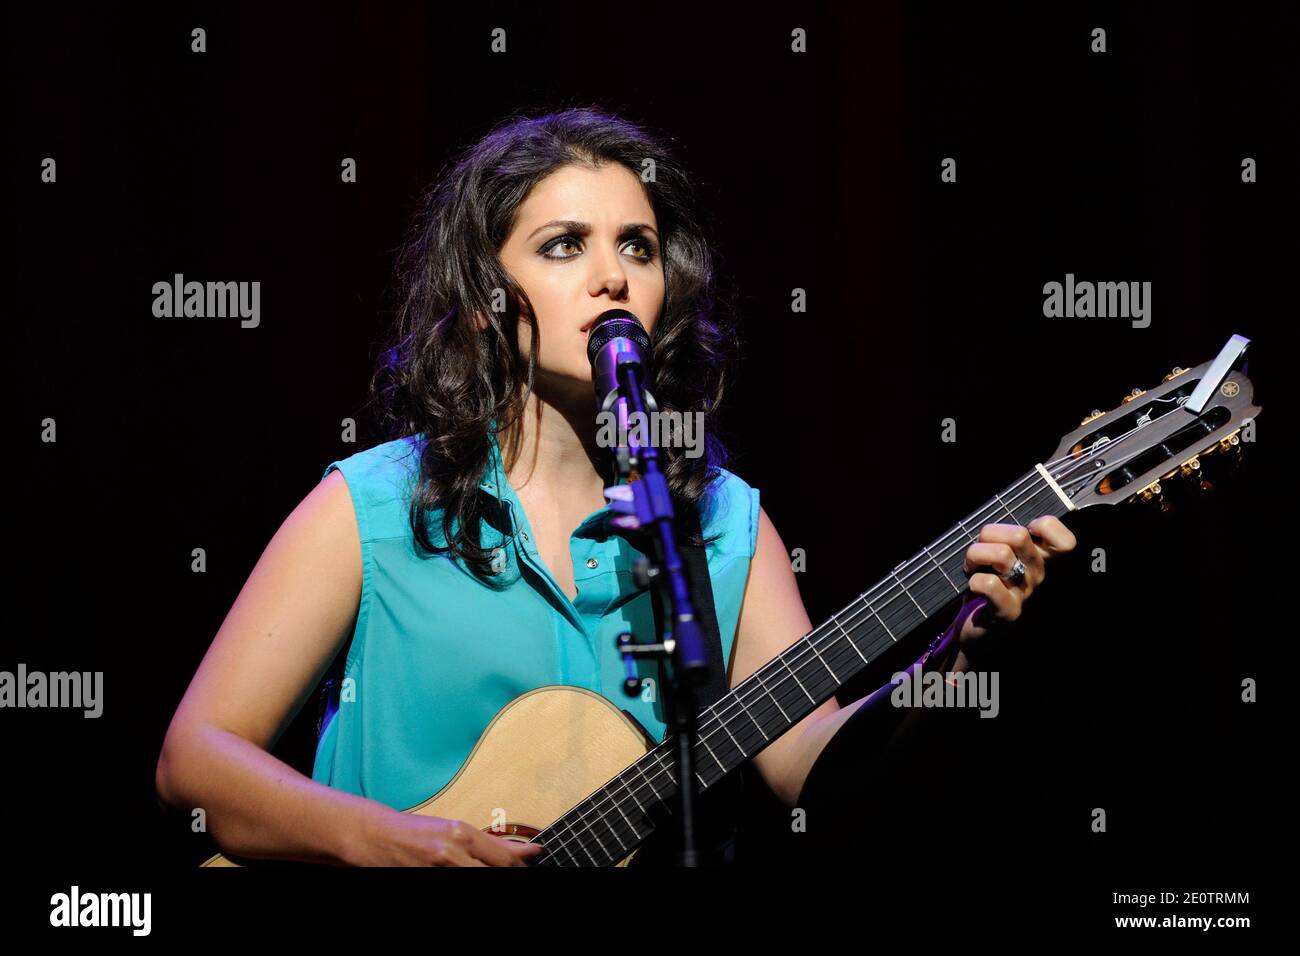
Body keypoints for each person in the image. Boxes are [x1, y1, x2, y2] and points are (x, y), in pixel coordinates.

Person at [154, 107, 1076, 867]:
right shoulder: (375, 506)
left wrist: (954, 661)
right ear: (485, 294)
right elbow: (196, 760)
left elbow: (809, 770)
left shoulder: (721, 521)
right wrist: (401, 846)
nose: (612, 278)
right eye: (563, 247)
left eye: (637, 247)